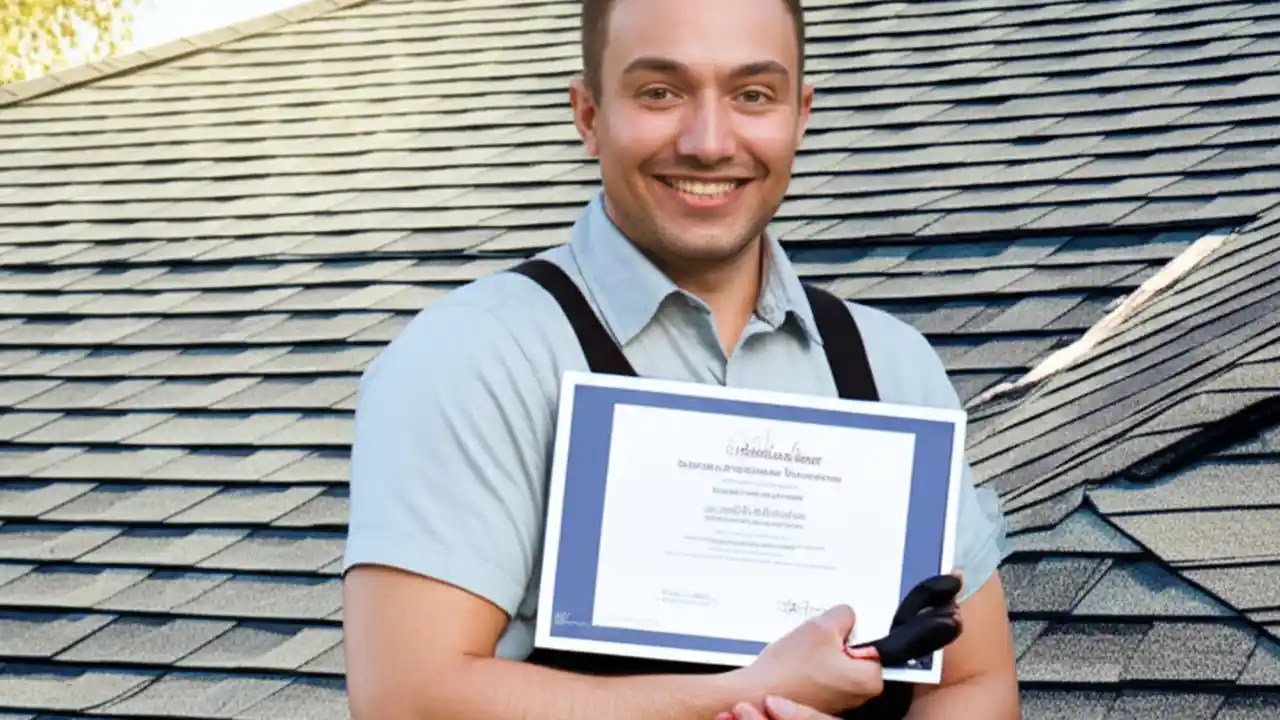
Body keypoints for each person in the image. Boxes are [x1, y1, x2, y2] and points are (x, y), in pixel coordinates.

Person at [341, 0, 1020, 717]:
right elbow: (410, 700)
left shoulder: (891, 366)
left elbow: (975, 681)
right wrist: (753, 691)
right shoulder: (474, 360)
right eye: (660, 92)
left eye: (753, 95)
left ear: (801, 114)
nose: (707, 141)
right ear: (588, 114)